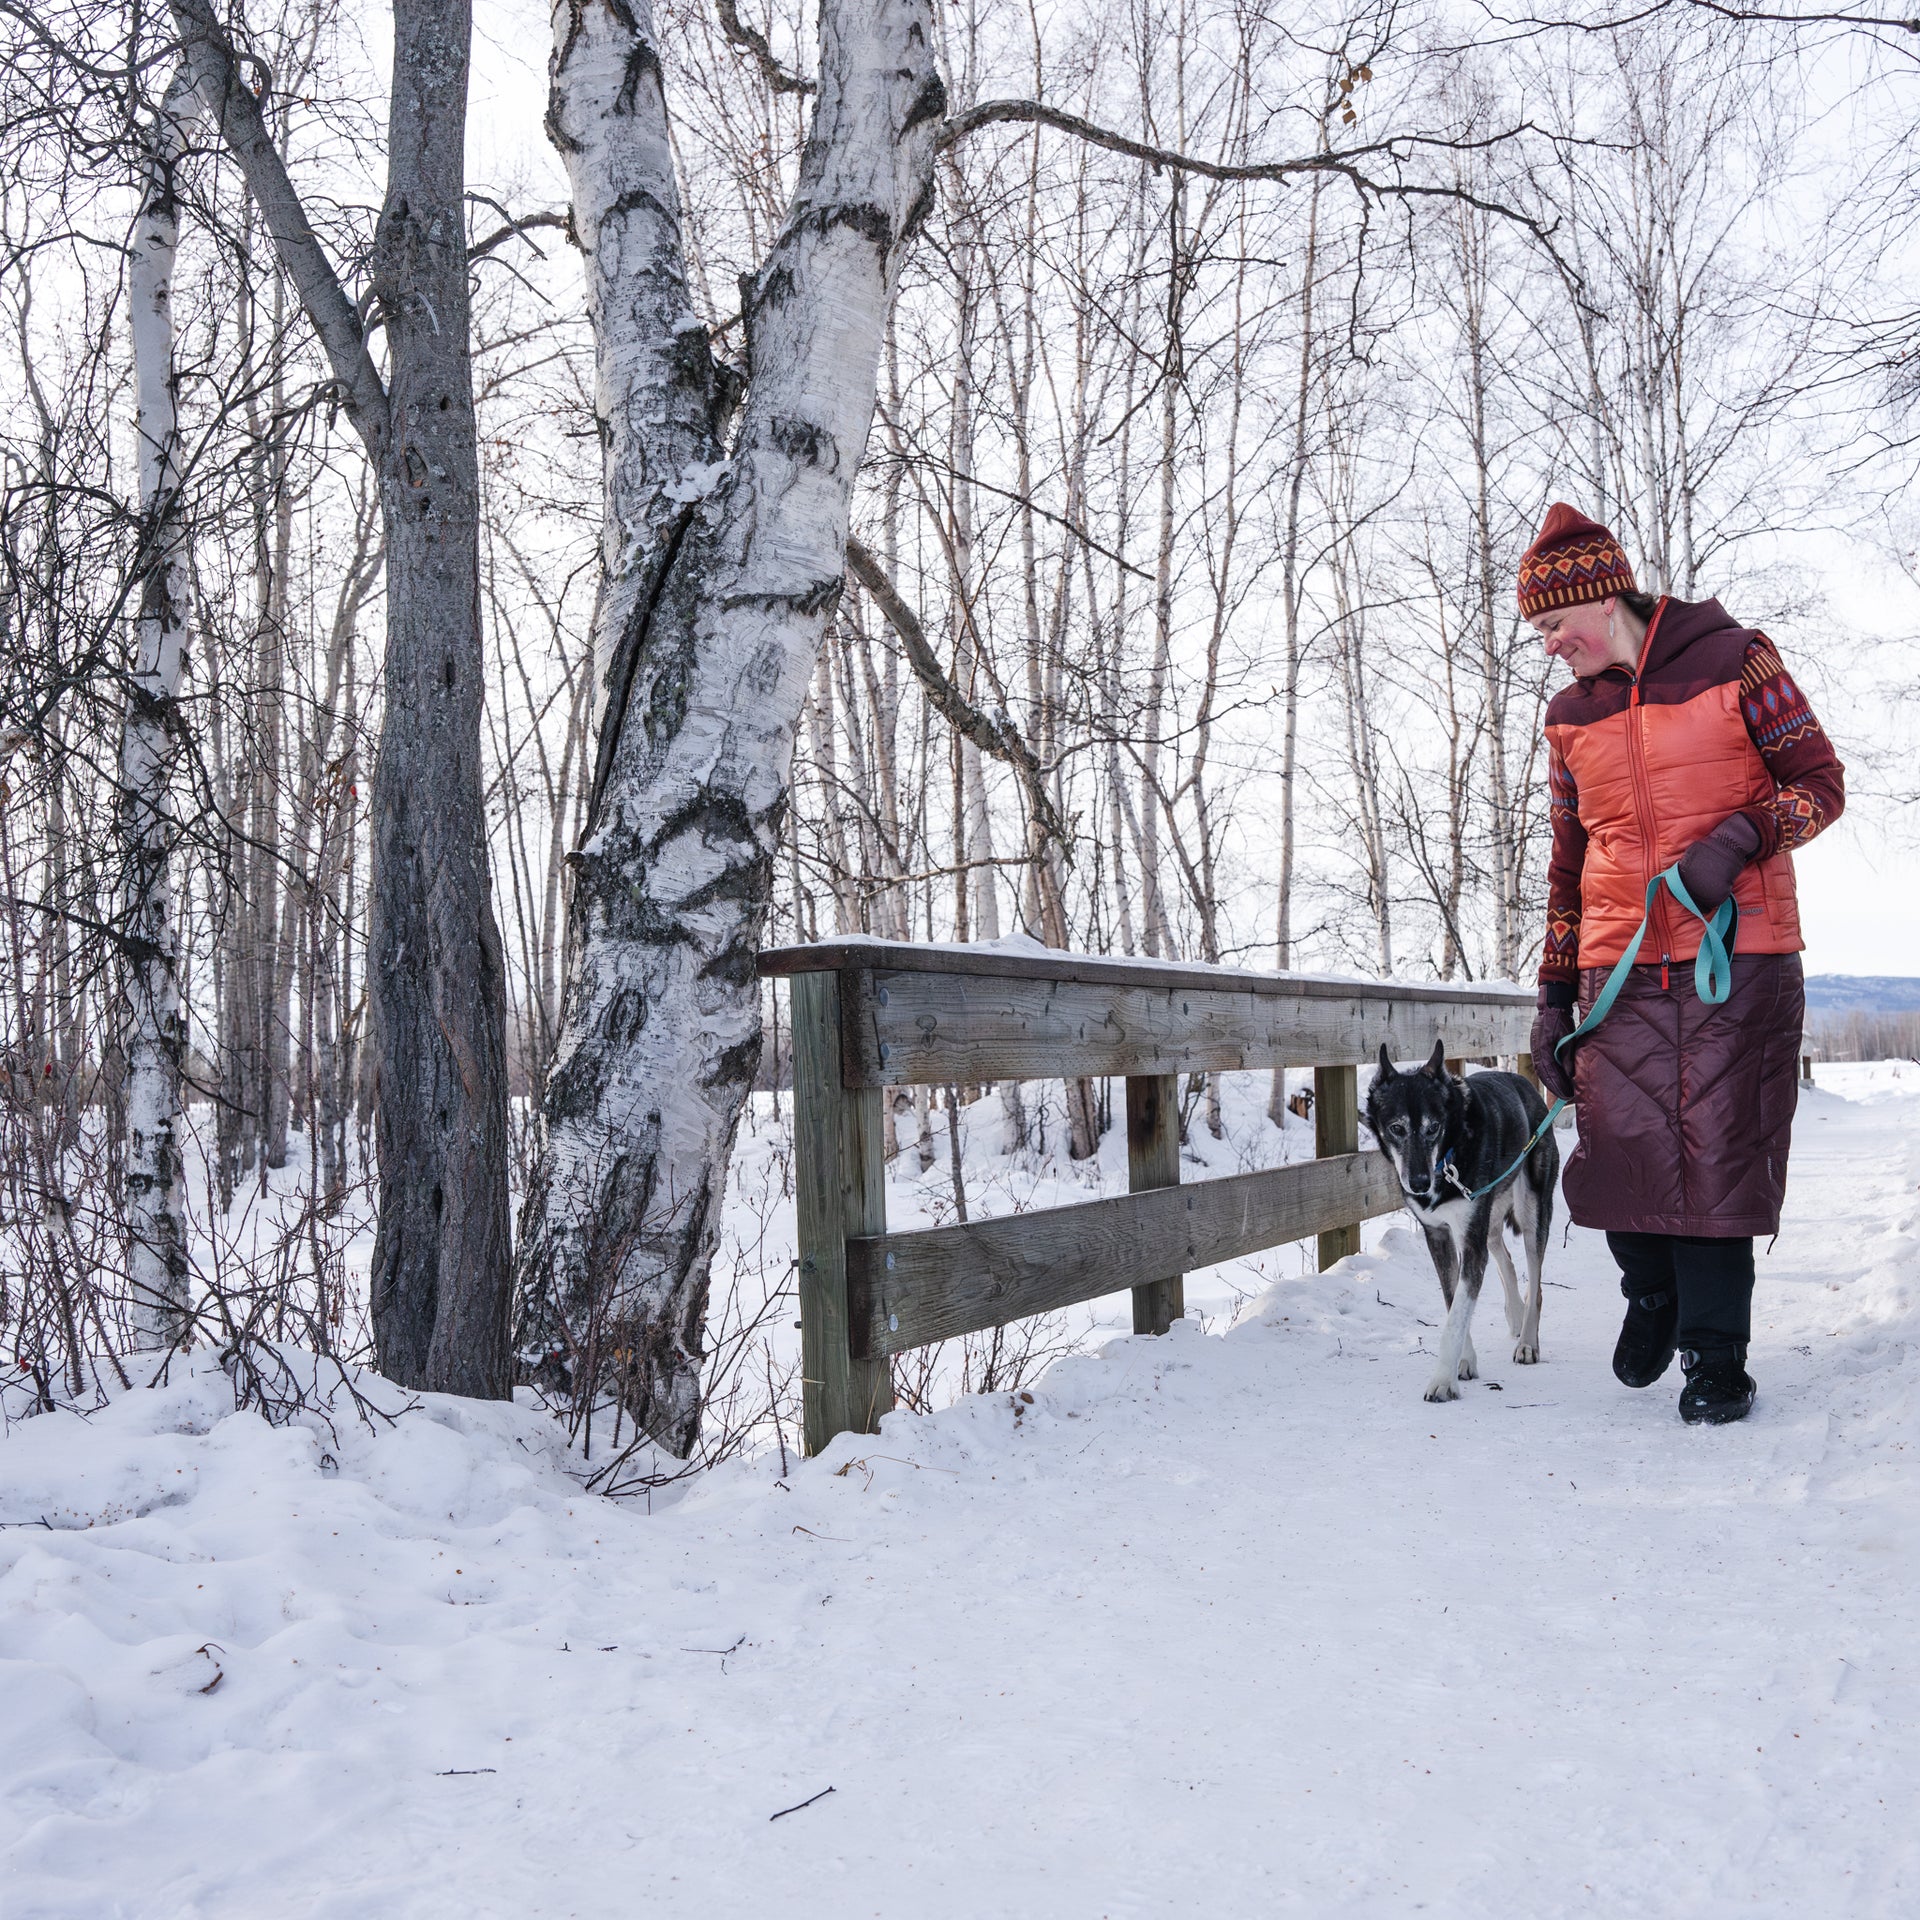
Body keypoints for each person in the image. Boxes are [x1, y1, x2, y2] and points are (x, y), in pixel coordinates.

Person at [1518, 503, 1846, 1424]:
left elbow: (1820, 785)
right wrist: (1552, 996)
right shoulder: (1570, 716)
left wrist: (1739, 837)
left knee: (1717, 1154)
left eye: (1551, 627)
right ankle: (1652, 1294)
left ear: (1597, 599)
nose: (1547, 648)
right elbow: (1567, 862)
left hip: (1735, 957)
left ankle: (1715, 1362)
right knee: (1620, 1152)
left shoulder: (1738, 659)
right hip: (1615, 965)